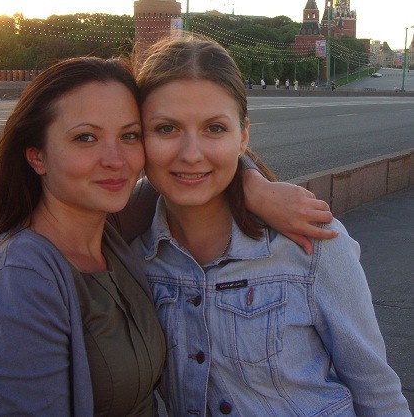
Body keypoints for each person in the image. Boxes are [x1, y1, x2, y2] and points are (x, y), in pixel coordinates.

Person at [0, 56, 337, 416]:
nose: (116, 160)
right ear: (36, 156)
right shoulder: (18, 278)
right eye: (86, 138)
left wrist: (251, 184)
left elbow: (190, 169)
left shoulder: (112, 230)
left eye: (129, 135)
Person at [132, 37, 411, 416]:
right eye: (166, 129)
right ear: (138, 138)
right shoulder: (132, 255)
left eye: (215, 128)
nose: (191, 154)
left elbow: (378, 394)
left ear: (243, 136)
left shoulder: (310, 241)